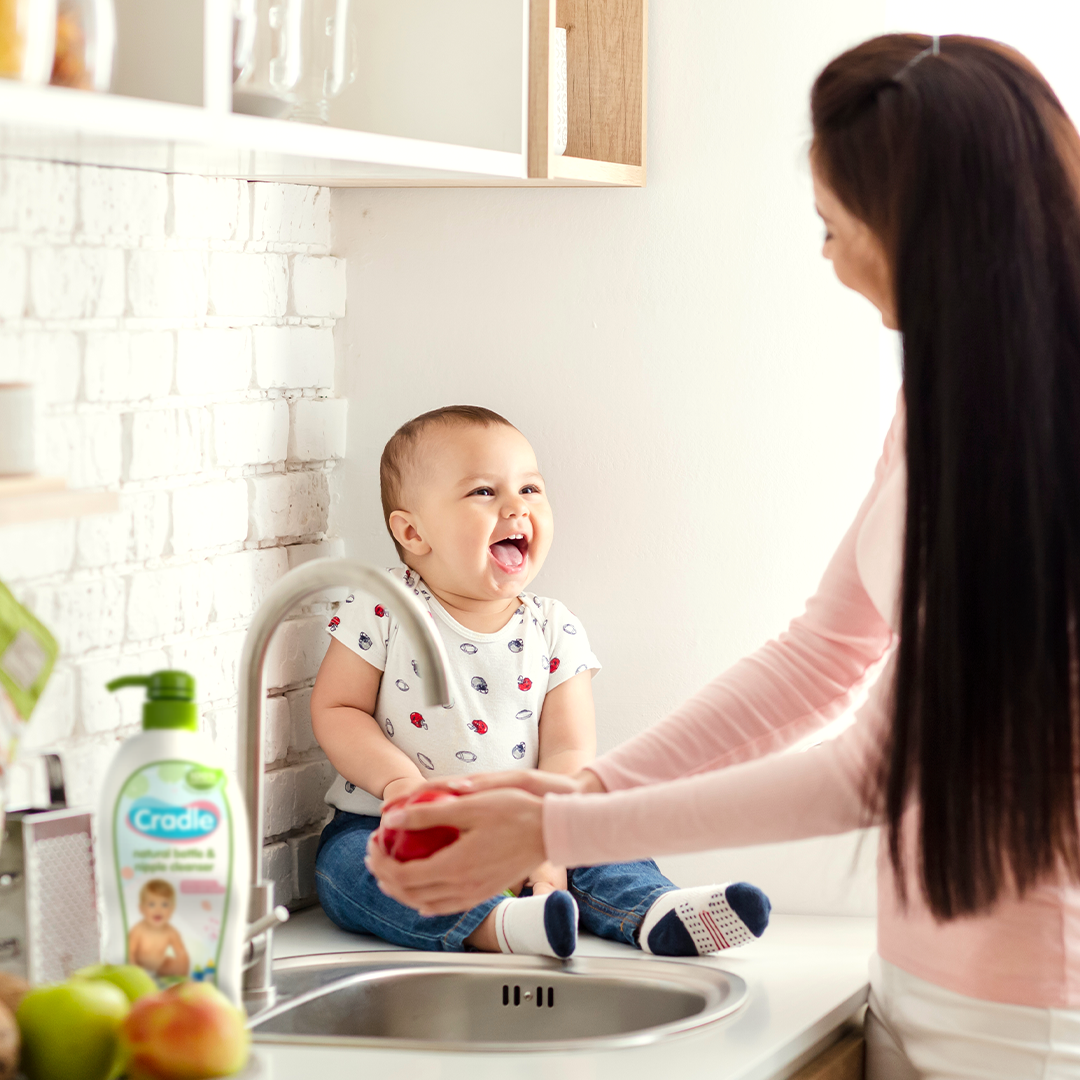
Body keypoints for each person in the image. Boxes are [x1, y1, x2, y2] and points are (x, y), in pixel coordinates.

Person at [365, 34, 1080, 1080]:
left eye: (837, 225)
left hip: (1032, 1025)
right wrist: (578, 792)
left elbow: (872, 772)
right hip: (926, 987)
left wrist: (561, 822)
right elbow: (822, 655)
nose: (826, 253)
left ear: (926, 233)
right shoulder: (943, 408)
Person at [311, 406, 771, 959]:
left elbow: (570, 750)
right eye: (484, 492)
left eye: (531, 488)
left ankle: (656, 911)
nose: (516, 507)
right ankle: (500, 925)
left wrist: (551, 838)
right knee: (349, 871)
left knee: (603, 836)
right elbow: (338, 708)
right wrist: (398, 784)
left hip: (527, 826)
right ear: (413, 531)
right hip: (391, 828)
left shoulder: (553, 627)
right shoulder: (382, 605)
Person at [127, 879, 190, 977]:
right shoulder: (138, 930)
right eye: (152, 904)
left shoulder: (171, 932)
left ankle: (174, 982)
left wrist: (183, 976)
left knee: (172, 962)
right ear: (142, 908)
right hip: (140, 969)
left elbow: (182, 954)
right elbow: (130, 952)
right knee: (130, 963)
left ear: (172, 909)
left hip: (160, 968)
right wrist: (134, 971)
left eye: (164, 904)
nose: (158, 909)